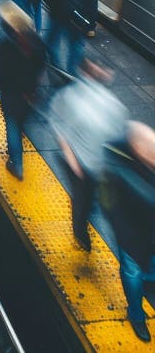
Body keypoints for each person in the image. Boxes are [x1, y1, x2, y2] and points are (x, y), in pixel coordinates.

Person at [49, 60, 127, 252]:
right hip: (82, 165)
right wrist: (72, 159)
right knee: (83, 202)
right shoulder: (72, 97)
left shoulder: (109, 102)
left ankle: (84, 223)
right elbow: (59, 125)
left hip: (95, 165)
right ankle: (81, 233)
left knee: (88, 200)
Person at [101, 122, 155, 342]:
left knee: (140, 267)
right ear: (137, 148)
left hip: (142, 234)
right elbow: (108, 201)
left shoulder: (119, 155)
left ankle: (149, 277)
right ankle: (136, 315)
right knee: (132, 271)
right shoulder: (122, 170)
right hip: (133, 236)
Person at [0, 0, 46, 180]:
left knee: (12, 126)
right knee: (21, 121)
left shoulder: (5, 46)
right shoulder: (37, 43)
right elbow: (40, 66)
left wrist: (4, 88)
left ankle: (17, 165)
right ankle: (17, 146)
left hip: (11, 94)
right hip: (30, 94)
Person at [42, 0, 94, 75]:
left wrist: (53, 6)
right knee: (74, 46)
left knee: (50, 42)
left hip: (56, 16)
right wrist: (88, 23)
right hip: (74, 19)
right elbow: (89, 2)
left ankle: (56, 66)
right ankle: (72, 73)